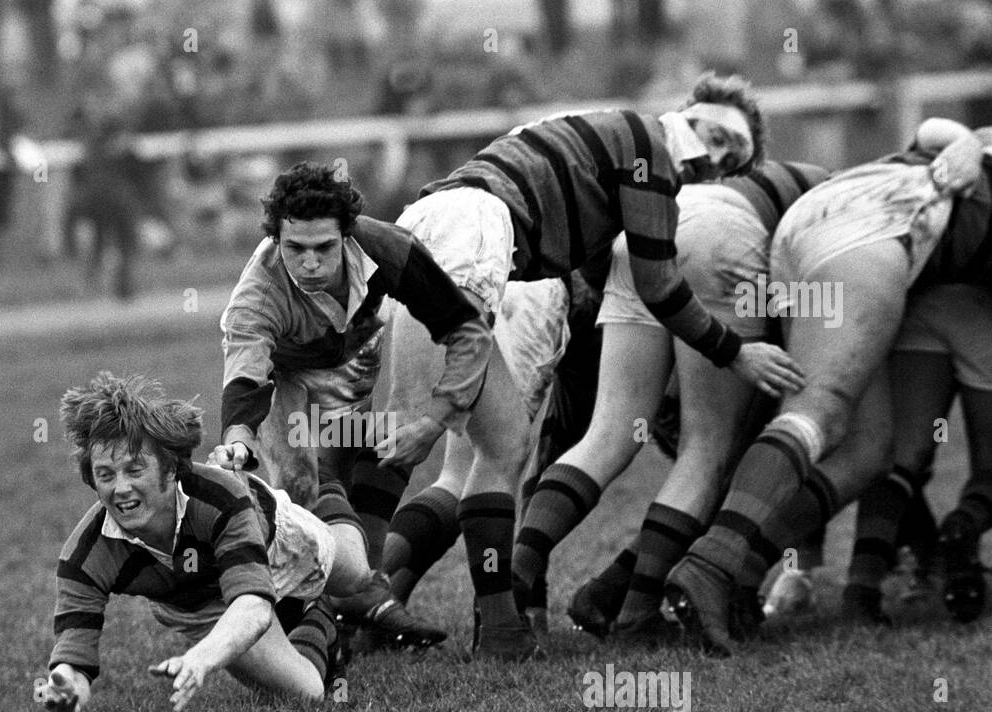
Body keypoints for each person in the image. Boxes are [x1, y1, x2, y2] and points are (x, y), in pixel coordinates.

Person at [380, 72, 799, 659]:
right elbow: (654, 284)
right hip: (501, 263)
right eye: (719, 134)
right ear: (691, 113)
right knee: (486, 454)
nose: (718, 155)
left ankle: (395, 610)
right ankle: (480, 612)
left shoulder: (612, 144)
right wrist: (734, 351)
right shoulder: (650, 149)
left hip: (440, 229)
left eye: (734, 157)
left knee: (476, 452)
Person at [665, 119, 991, 654]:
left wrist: (969, 142)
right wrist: (972, 143)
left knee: (868, 448)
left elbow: (931, 127)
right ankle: (712, 563)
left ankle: (741, 572)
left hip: (816, 219)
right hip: (873, 231)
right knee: (822, 409)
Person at [511, 161, 828, 645]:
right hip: (717, 240)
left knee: (607, 436)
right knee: (709, 451)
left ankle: (514, 584)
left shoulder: (696, 181)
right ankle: (637, 614)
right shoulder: (827, 193)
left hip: (642, 239)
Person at [213, 161, 495, 650]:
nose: (309, 264)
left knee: (369, 451)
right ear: (277, 240)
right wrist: (238, 440)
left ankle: (355, 600)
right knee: (303, 484)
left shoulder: (388, 249)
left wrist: (435, 421)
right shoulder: (256, 297)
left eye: (324, 248)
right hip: (283, 375)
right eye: (294, 249)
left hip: (352, 351)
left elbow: (466, 329)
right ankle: (340, 614)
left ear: (348, 236)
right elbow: (246, 378)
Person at [41, 373, 384, 712]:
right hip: (200, 603)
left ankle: (321, 484)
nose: (121, 488)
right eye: (106, 475)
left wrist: (201, 658)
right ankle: (319, 616)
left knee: (357, 576)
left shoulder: (218, 500)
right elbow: (74, 653)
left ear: (171, 468)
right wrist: (69, 684)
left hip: (274, 542)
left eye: (134, 470)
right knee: (308, 693)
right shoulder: (86, 555)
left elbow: (252, 604)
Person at [843, 281, 992, 624]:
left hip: (919, 306)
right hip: (981, 310)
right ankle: (963, 525)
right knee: (989, 469)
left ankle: (861, 591)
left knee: (902, 460)